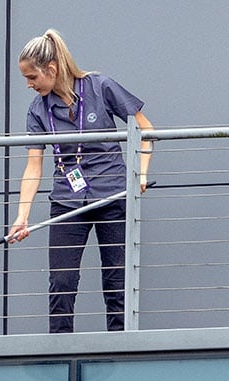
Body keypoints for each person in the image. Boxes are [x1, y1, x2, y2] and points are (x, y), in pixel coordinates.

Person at [9, 29, 153, 333]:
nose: (28, 85)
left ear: (51, 70)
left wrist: (140, 173)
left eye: (32, 77)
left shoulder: (100, 87)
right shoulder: (37, 110)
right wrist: (21, 217)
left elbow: (145, 130)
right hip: (67, 201)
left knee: (117, 280)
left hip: (112, 197)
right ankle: (60, 356)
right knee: (61, 282)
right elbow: (33, 166)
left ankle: (120, 352)